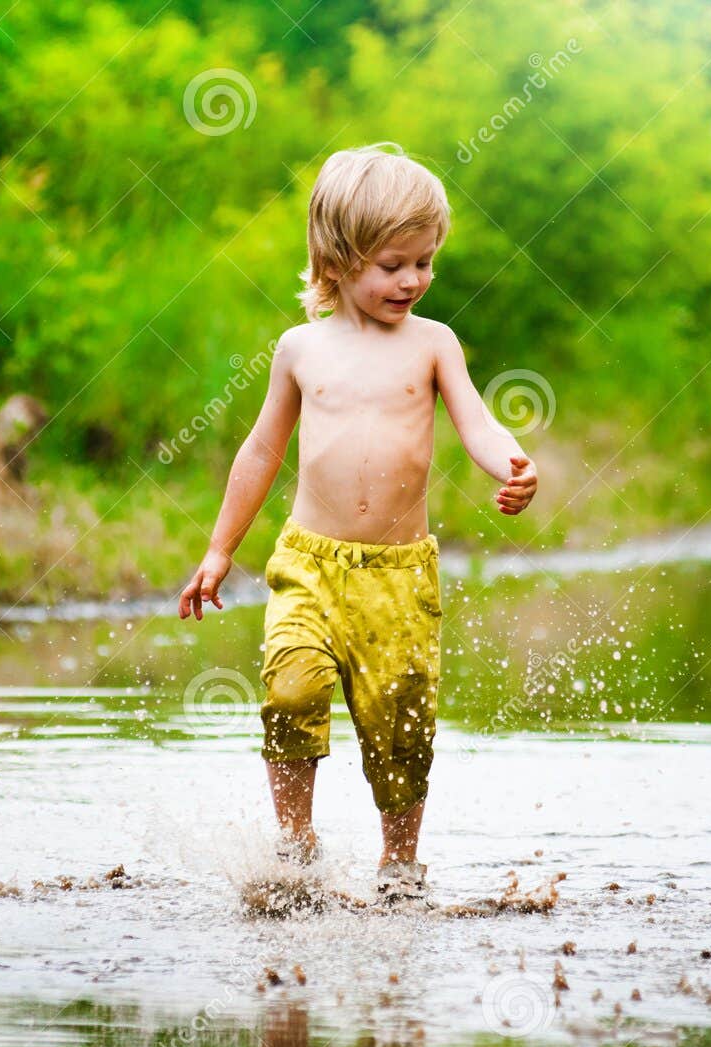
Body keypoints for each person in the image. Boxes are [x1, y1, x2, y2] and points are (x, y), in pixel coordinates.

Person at [178, 143, 538, 904]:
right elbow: (262, 449)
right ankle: (295, 849)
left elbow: (477, 424)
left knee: (402, 727)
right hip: (309, 560)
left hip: (400, 577)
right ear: (337, 260)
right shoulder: (300, 348)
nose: (412, 280)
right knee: (291, 687)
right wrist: (219, 549)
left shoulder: (434, 343)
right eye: (393, 264)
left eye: (424, 262)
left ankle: (400, 865)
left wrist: (511, 463)